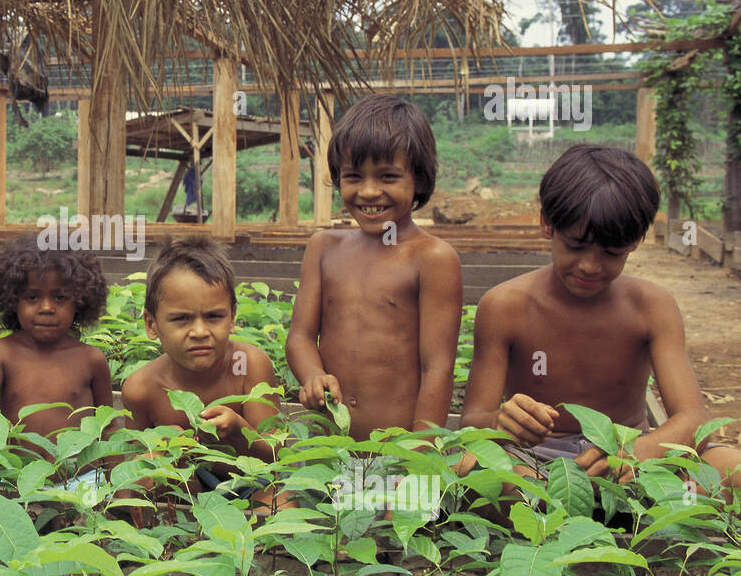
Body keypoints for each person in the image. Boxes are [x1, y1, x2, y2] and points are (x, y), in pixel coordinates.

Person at [458, 143, 740, 492]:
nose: (590, 266)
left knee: (733, 469)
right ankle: (549, 501)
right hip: (534, 459)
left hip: (629, 457)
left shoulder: (652, 306)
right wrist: (502, 422)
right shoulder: (505, 305)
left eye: (611, 252)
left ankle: (573, 505)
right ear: (548, 223)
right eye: (575, 246)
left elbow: (692, 418)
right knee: (479, 475)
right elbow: (472, 420)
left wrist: (634, 452)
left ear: (635, 241)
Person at [286, 95, 462, 439]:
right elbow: (300, 337)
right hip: (327, 447)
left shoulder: (432, 258)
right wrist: (311, 375)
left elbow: (437, 368)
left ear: (420, 181)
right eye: (353, 176)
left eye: (388, 176)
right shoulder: (323, 248)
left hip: (398, 453)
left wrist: (420, 453)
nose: (368, 191)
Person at [120, 236, 284, 512]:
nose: (199, 331)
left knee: (283, 502)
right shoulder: (141, 388)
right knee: (156, 460)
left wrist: (237, 429)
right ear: (151, 324)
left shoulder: (249, 364)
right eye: (181, 319)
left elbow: (276, 456)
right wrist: (163, 447)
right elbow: (131, 473)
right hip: (187, 491)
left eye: (213, 316)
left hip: (255, 483)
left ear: (232, 318)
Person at [0, 235, 113, 460]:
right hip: (12, 483)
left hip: (81, 481)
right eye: (32, 297)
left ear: (80, 301)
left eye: (60, 297)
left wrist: (119, 490)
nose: (47, 308)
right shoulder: (1, 354)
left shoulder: (91, 360)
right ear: (12, 300)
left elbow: (107, 428)